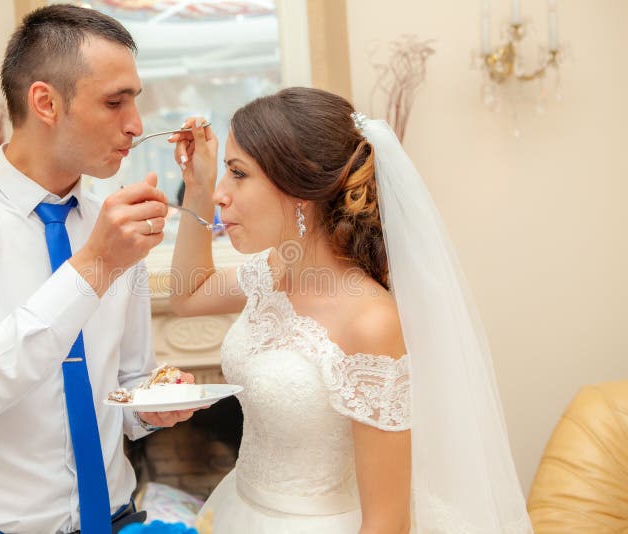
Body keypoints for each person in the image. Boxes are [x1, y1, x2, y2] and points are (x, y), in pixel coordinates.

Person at [167, 88, 532, 533]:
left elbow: (388, 523)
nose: (223, 193)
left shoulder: (371, 323)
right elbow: (188, 296)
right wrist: (198, 188)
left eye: (238, 174)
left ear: (300, 189)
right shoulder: (272, 269)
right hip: (241, 511)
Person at [0, 5, 196, 534]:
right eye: (114, 102)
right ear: (45, 101)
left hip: (115, 517)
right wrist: (93, 266)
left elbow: (126, 384)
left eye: (135, 101)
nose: (135, 125)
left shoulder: (113, 218)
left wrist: (154, 405)